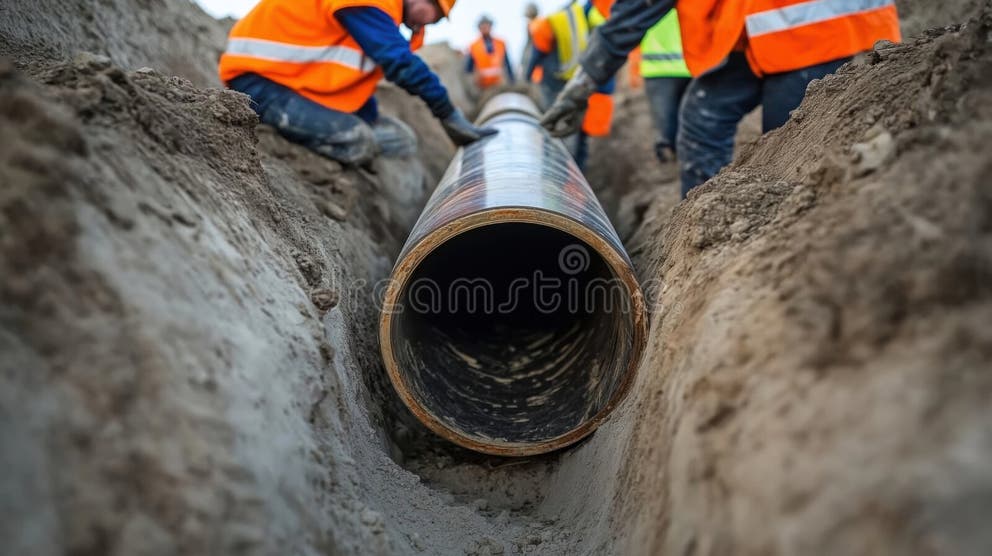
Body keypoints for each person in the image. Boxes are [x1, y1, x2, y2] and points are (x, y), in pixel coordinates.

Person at [540, 0, 901, 197]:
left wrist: (582, 84)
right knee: (703, 113)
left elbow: (632, 13)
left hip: (816, 27)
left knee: (789, 143)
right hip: (766, 26)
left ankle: (784, 233)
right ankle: (704, 225)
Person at [219, 0, 497, 166]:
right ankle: (292, 154)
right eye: (435, 13)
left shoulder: (377, 15)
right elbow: (399, 62)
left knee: (401, 139)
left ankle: (309, 132)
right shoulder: (372, 5)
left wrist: (369, 116)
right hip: (258, 83)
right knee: (359, 139)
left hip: (293, 84)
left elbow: (349, 78)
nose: (432, 23)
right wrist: (447, 112)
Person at [524, 0, 615, 170]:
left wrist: (527, 75)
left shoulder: (573, 17)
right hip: (565, 81)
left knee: (570, 129)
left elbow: (537, 51)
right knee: (565, 129)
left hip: (572, 82)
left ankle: (569, 172)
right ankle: (564, 171)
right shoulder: (568, 19)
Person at [640, 10, 691, 163]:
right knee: (688, 122)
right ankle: (679, 158)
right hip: (690, 67)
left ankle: (671, 156)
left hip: (658, 70)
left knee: (666, 125)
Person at [465, 15, 515, 90]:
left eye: (487, 25)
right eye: (482, 26)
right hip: (482, 86)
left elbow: (508, 64)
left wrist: (512, 80)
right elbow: (468, 69)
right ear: (479, 28)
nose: (485, 28)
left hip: (499, 84)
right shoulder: (474, 46)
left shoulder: (501, 43)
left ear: (491, 26)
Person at [520, 3, 544, 84]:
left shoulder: (536, 26)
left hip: (537, 72)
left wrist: (528, 72)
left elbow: (535, 52)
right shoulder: (533, 26)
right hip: (534, 70)